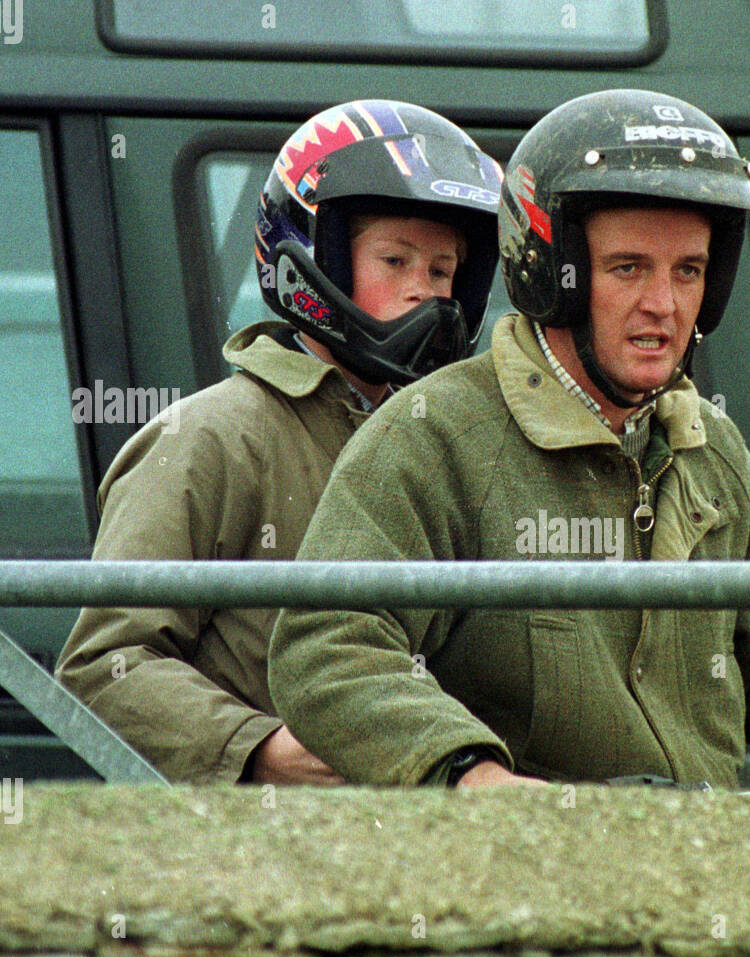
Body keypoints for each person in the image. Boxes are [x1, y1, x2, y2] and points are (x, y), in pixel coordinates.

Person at [267, 89, 750, 790]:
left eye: (688, 272)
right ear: (555, 272)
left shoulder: (708, 449)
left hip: (703, 883)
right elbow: (329, 649)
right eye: (627, 268)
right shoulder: (433, 437)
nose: (663, 305)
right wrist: (473, 778)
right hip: (515, 890)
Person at [55, 99, 503, 785]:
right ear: (310, 256)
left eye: (442, 272)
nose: (426, 294)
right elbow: (104, 665)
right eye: (395, 260)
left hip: (422, 843)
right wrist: (256, 748)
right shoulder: (211, 437)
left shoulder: (452, 443)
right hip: (256, 857)